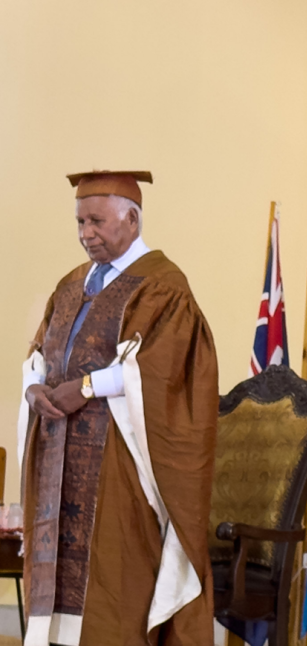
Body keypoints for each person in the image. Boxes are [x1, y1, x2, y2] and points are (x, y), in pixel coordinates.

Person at [20, 171, 219, 646]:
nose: (86, 233)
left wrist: (86, 388)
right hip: (58, 453)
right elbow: (40, 352)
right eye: (80, 222)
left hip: (120, 457)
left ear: (132, 219)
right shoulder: (71, 283)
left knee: (116, 568)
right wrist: (33, 388)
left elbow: (160, 368)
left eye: (97, 221)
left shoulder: (163, 286)